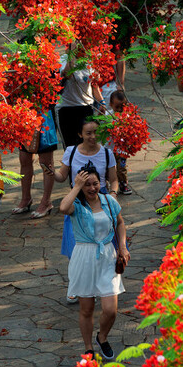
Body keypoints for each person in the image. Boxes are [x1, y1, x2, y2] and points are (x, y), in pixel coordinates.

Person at [59, 164, 129, 361]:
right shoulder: (76, 205)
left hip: (108, 256)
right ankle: (88, 347)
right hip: (84, 258)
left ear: (102, 183)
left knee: (110, 309)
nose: (92, 188)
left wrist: (122, 247)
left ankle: (102, 337)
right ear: (79, 186)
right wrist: (75, 187)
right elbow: (63, 208)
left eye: (95, 183)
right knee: (87, 308)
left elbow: (120, 222)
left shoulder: (109, 201)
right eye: (86, 184)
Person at [55, 117, 118, 302]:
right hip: (78, 203)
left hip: (101, 202)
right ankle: (76, 284)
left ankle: (101, 284)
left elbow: (114, 179)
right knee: (75, 246)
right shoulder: (71, 151)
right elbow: (61, 176)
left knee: (104, 245)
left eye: (96, 132)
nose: (92, 137)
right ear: (79, 134)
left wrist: (113, 195)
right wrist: (51, 172)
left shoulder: (107, 153)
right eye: (88, 133)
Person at [57, 48, 103, 149]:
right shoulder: (64, 59)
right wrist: (71, 52)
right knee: (71, 147)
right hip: (67, 109)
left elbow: (94, 85)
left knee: (88, 144)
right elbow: (67, 74)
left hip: (86, 108)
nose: (85, 50)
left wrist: (101, 102)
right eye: (81, 48)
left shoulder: (90, 61)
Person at [15, 110, 57, 218]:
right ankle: (26, 199)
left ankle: (46, 202)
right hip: (25, 115)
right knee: (24, 159)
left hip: (45, 117)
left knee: (45, 163)